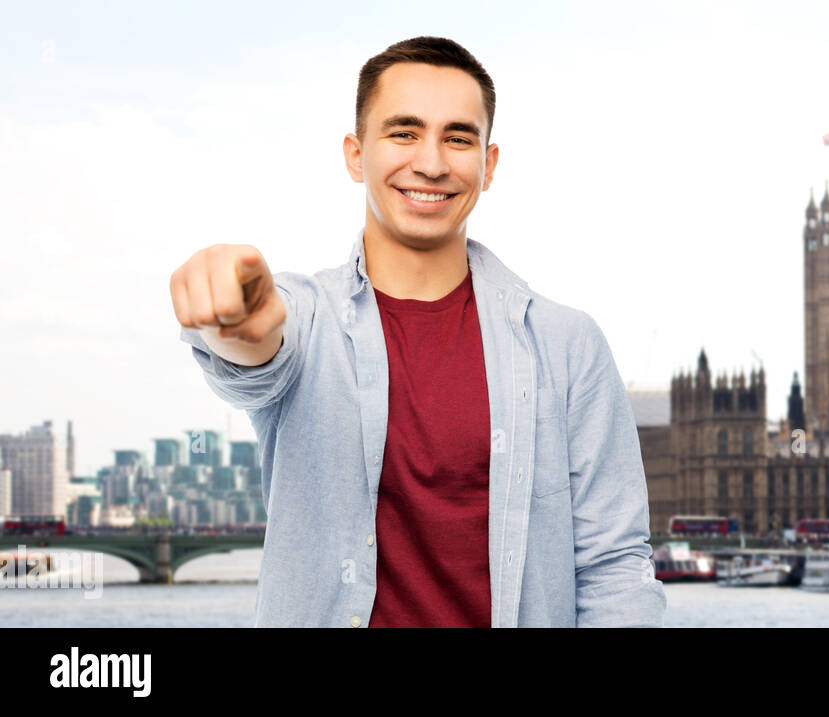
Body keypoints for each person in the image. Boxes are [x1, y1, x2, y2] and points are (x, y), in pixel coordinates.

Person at [168, 36, 666, 627]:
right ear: (355, 155)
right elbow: (254, 356)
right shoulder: (304, 318)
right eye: (403, 132)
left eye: (458, 138)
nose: (431, 162)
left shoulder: (567, 346)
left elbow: (614, 567)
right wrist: (234, 326)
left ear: (489, 165)